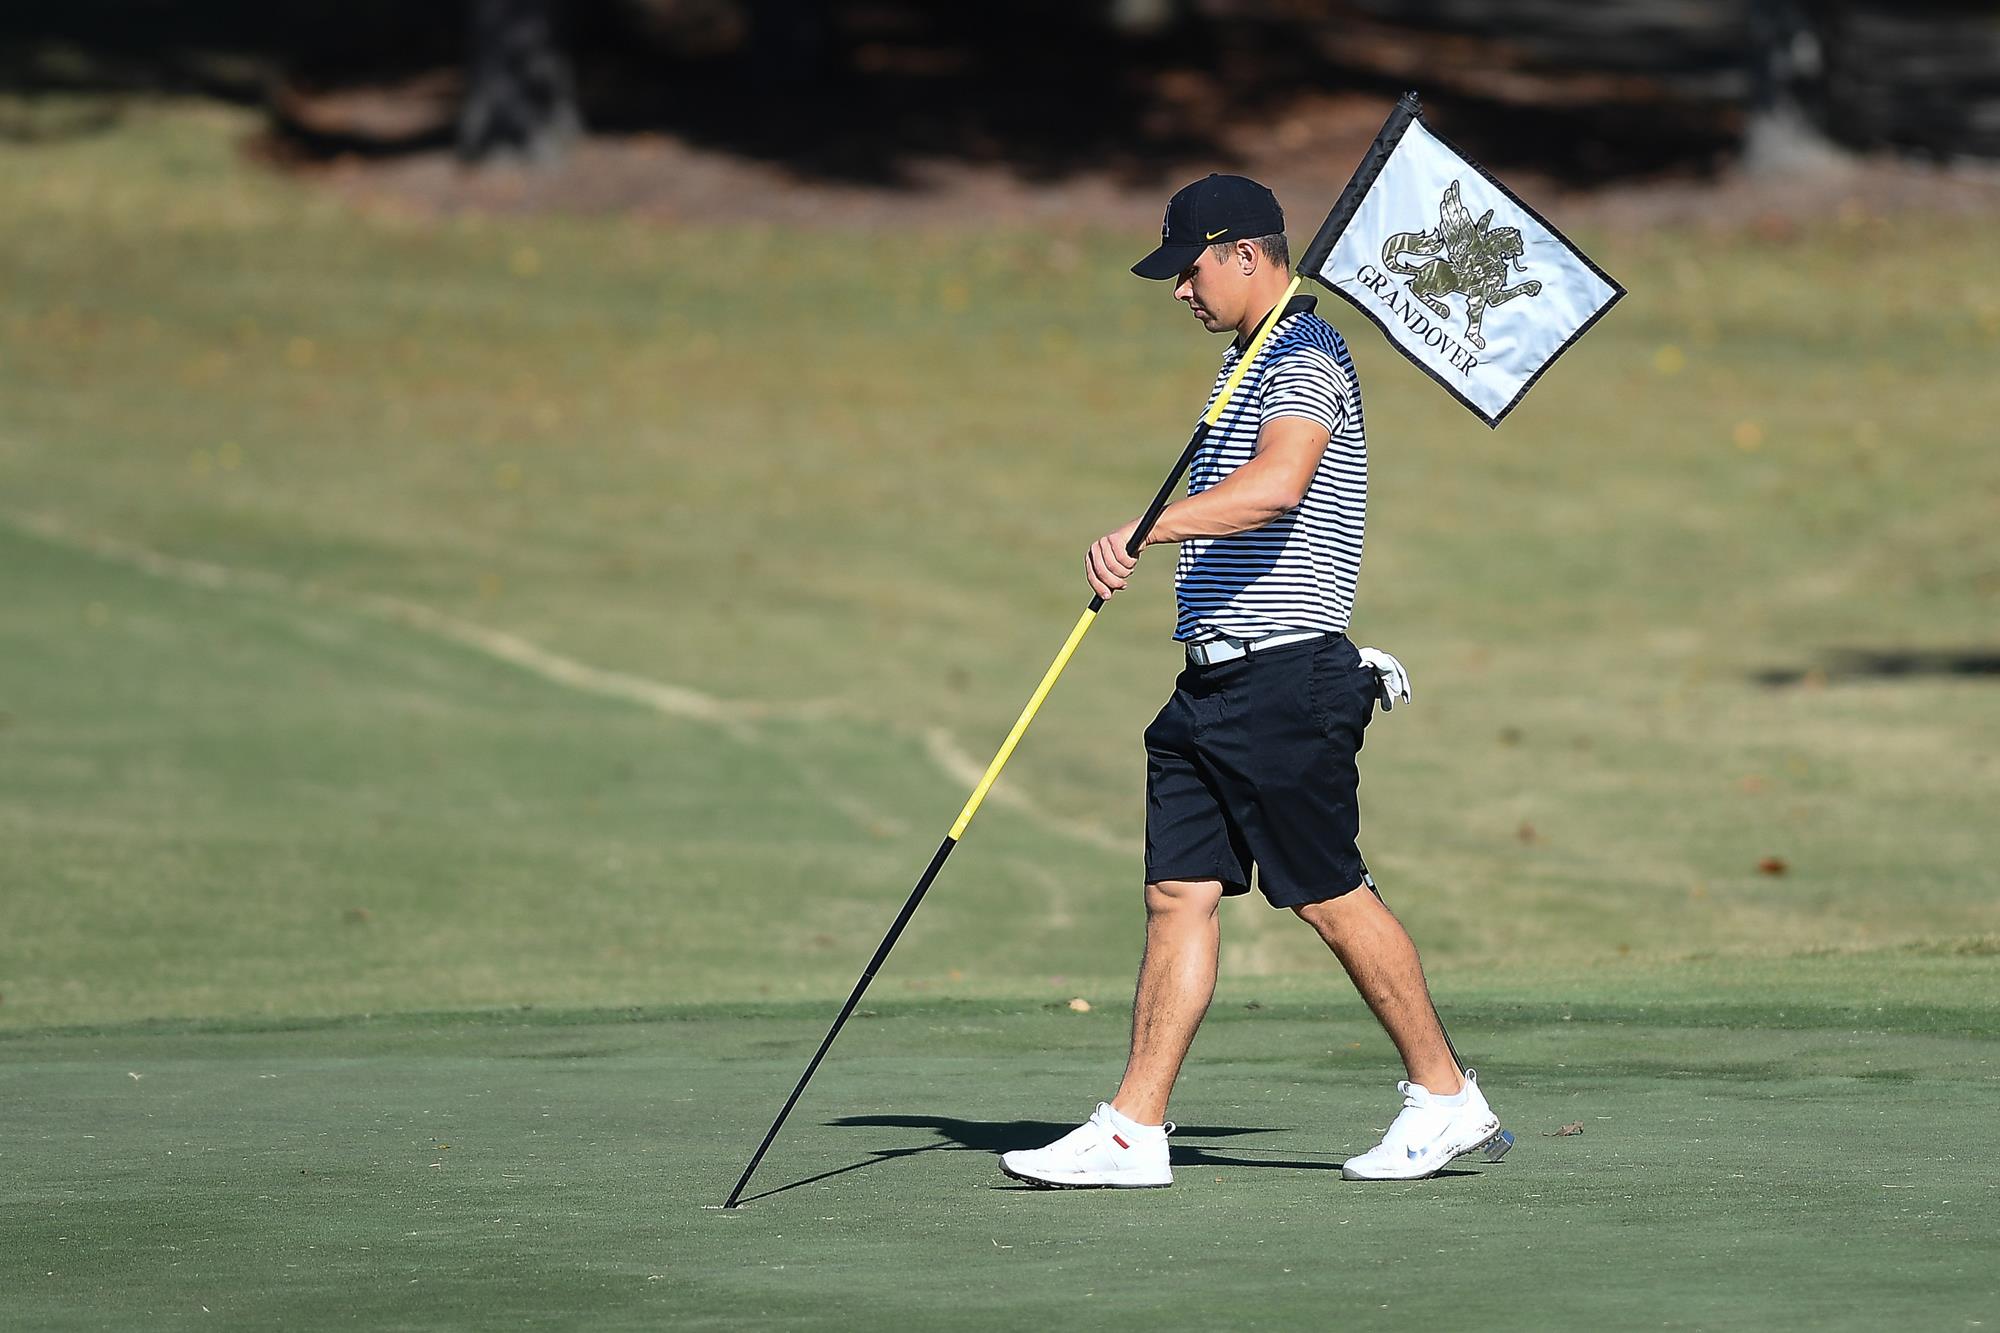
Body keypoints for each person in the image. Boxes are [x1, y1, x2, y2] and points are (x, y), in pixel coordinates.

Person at [998, 174, 1507, 1188]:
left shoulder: (1303, 352)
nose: (1180, 291)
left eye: (1189, 270)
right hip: (1210, 688)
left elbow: (1280, 485)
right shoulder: (1246, 360)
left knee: (1327, 893)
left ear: (1243, 254)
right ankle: (1133, 1130)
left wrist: (1149, 527)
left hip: (1283, 679)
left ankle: (1447, 1097)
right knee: (1176, 893)